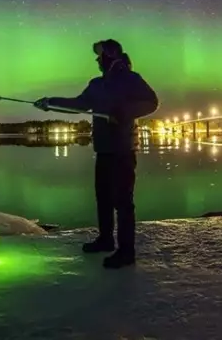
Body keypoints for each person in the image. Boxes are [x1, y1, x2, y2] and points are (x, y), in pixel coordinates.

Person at [34, 39, 159, 269]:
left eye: (100, 55)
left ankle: (126, 252)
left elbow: (152, 102)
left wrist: (123, 112)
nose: (97, 60)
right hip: (103, 149)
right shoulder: (96, 85)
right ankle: (105, 240)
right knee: (103, 198)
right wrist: (50, 103)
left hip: (123, 149)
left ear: (110, 56)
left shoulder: (131, 80)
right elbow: (79, 104)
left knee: (123, 202)